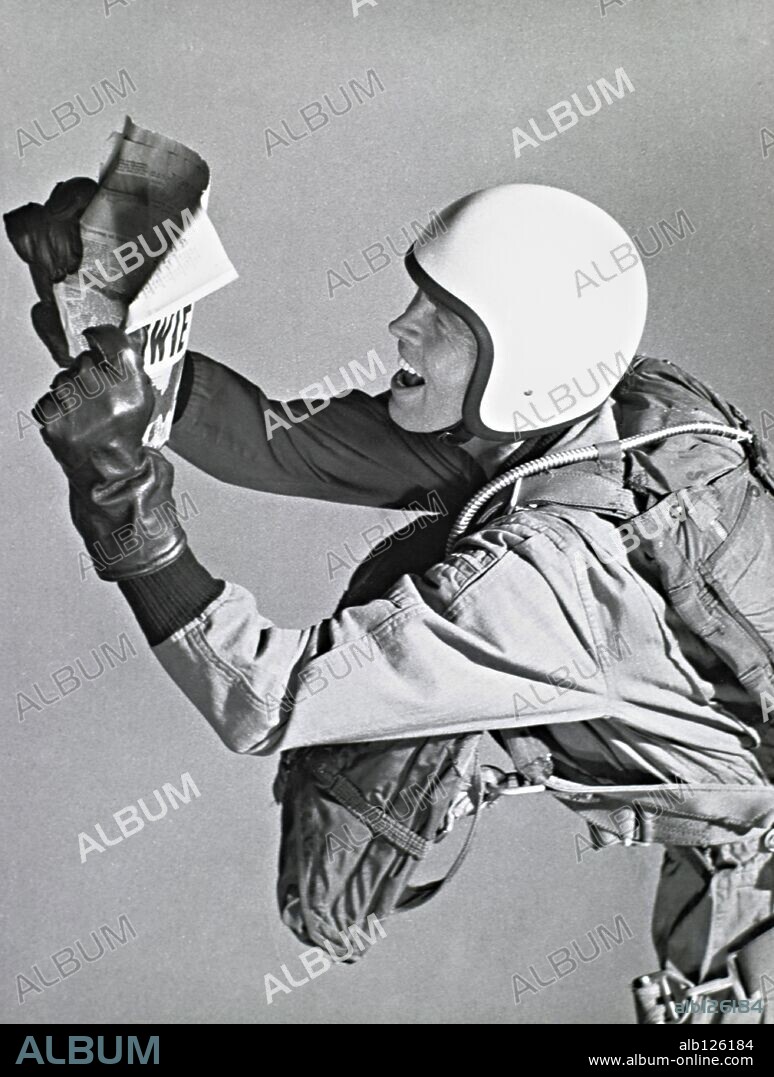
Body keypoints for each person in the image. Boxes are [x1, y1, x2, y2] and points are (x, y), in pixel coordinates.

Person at [8, 180, 774, 1024]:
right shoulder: (603, 419)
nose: (400, 325)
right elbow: (280, 444)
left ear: (521, 357)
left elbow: (264, 698)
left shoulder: (554, 581)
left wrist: (119, 499)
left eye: (443, 318)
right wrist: (106, 332)